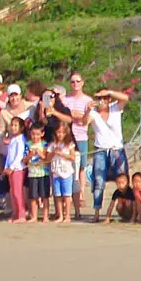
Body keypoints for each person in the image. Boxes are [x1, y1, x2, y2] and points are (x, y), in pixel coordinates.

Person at [87, 89, 130, 218]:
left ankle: (128, 209)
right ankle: (96, 212)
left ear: (109, 99)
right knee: (99, 180)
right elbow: (84, 122)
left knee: (123, 180)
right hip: (101, 150)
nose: (102, 101)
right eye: (99, 98)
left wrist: (109, 92)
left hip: (117, 149)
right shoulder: (93, 113)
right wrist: (88, 110)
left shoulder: (115, 108)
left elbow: (125, 98)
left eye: (105, 98)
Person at [60, 72, 95, 219]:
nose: (75, 84)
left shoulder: (88, 100)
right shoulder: (65, 99)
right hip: (67, 137)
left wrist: (76, 114)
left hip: (81, 136)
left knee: (81, 168)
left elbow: (87, 119)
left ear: (82, 83)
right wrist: (75, 115)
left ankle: (80, 194)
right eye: (73, 82)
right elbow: (66, 116)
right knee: (67, 167)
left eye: (77, 81)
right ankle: (66, 197)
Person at [47, 129, 77, 225]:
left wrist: (62, 154)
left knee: (67, 195)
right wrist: (53, 153)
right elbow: (47, 158)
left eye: (62, 132)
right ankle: (60, 215)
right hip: (56, 173)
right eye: (58, 132)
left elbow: (73, 157)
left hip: (66, 173)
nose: (60, 134)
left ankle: (67, 215)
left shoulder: (69, 144)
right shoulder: (53, 144)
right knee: (58, 195)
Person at [2, 117, 28, 224]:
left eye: (15, 125)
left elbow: (19, 155)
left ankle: (21, 214)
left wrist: (12, 167)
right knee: (13, 192)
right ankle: (15, 213)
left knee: (18, 192)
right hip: (11, 169)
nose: (13, 127)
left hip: (18, 169)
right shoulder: (13, 139)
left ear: (21, 127)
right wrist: (5, 168)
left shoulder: (21, 139)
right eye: (12, 125)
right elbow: (9, 156)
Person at [23, 123, 50, 223]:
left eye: (37, 134)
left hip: (43, 173)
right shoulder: (28, 144)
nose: (35, 137)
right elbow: (24, 160)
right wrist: (30, 155)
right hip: (32, 174)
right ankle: (34, 216)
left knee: (45, 196)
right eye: (33, 134)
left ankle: (45, 216)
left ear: (42, 134)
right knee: (33, 197)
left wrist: (40, 154)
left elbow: (47, 158)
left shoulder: (45, 144)